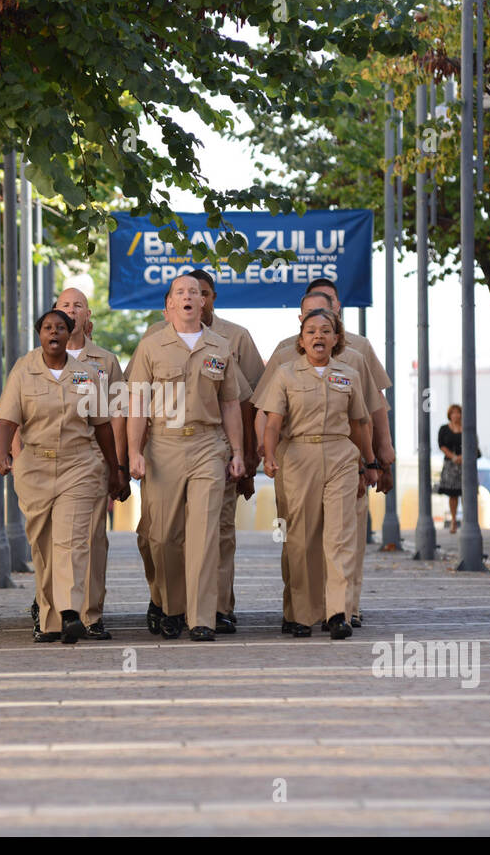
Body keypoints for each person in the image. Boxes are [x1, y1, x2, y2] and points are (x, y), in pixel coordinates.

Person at [253, 282, 388, 630]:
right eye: (311, 331)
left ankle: (338, 613)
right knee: (300, 538)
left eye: (326, 331)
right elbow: (270, 421)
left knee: (340, 536)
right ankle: (301, 613)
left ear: (336, 337)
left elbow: (362, 423)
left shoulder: (351, 372)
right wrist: (267, 455)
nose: (318, 336)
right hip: (298, 457)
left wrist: (371, 463)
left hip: (342, 457)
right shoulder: (285, 371)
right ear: (301, 338)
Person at [141, 269, 263, 633]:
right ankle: (170, 606)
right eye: (182, 292)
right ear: (169, 303)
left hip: (210, 445)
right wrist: (131, 452)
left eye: (198, 292)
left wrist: (242, 454)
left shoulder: (226, 343)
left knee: (207, 532)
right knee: (162, 536)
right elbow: (135, 403)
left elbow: (238, 403)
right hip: (163, 445)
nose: (192, 298)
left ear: (208, 299)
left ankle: (203, 617)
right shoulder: (151, 343)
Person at [0, 309, 123, 644]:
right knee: (43, 546)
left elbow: (102, 426)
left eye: (61, 328)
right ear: (39, 334)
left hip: (78, 465)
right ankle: (50, 619)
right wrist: (2, 455)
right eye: (48, 328)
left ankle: (70, 611)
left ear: (70, 335)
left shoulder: (86, 375)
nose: (54, 333)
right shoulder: (23, 371)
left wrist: (115, 469)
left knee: (72, 540)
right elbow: (7, 420)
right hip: (35, 466)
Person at [436, 404, 478, 533]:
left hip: (466, 464)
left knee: (467, 493)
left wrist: (464, 457)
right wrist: (454, 457)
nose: (456, 415)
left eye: (458, 412)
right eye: (453, 413)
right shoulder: (444, 429)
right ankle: (454, 520)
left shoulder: (468, 429)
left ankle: (467, 520)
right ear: (450, 415)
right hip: (451, 465)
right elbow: (441, 445)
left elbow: (474, 444)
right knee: (453, 494)